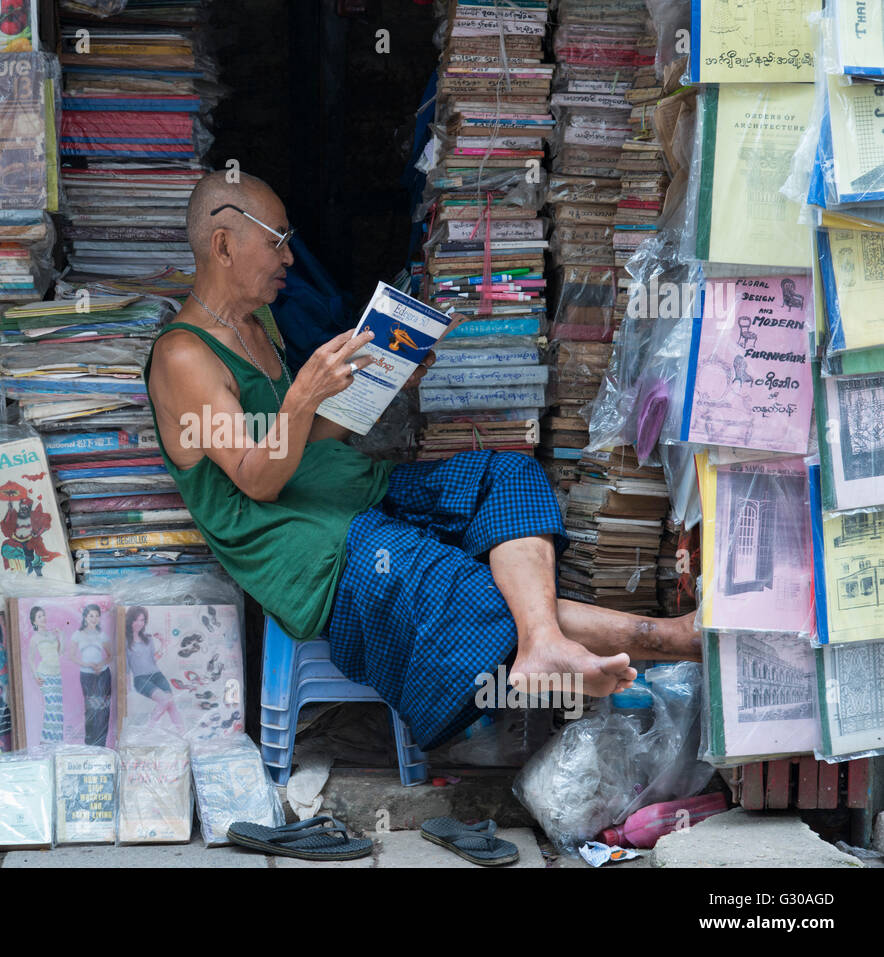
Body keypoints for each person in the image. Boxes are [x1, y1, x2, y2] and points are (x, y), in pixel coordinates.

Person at [144, 171, 701, 752]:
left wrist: (388, 383)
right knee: (451, 583)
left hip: (347, 488)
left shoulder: (257, 324)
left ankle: (541, 645)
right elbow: (257, 479)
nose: (289, 257)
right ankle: (661, 637)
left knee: (504, 475)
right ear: (225, 245)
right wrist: (305, 393)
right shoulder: (184, 356)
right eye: (277, 240)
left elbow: (305, 437)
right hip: (299, 540)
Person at [123, 606, 183, 732]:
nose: (139, 623)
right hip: (140, 679)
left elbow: (153, 659)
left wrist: (163, 643)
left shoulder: (148, 639)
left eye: (142, 620)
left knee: (171, 704)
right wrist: (127, 689)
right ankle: (149, 728)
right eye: (136, 620)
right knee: (165, 700)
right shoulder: (125, 642)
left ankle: (184, 734)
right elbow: (126, 668)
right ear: (130, 621)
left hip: (157, 675)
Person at [69, 603, 112, 747]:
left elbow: (110, 656)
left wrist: (101, 664)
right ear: (85, 617)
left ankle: (101, 745)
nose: (94, 618)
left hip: (103, 675)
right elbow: (72, 656)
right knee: (91, 709)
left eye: (97, 616)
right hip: (87, 675)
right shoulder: (78, 634)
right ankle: (90, 744)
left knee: (103, 709)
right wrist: (87, 665)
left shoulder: (102, 635)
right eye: (91, 615)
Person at [28, 605, 64, 743]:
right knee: (50, 707)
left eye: (43, 615)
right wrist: (35, 676)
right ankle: (46, 740)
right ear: (34, 622)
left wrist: (61, 637)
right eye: (39, 616)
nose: (43, 618)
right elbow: (30, 659)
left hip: (57, 674)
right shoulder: (35, 638)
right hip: (45, 675)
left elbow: (60, 653)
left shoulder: (52, 634)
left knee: (58, 708)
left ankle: (57, 740)